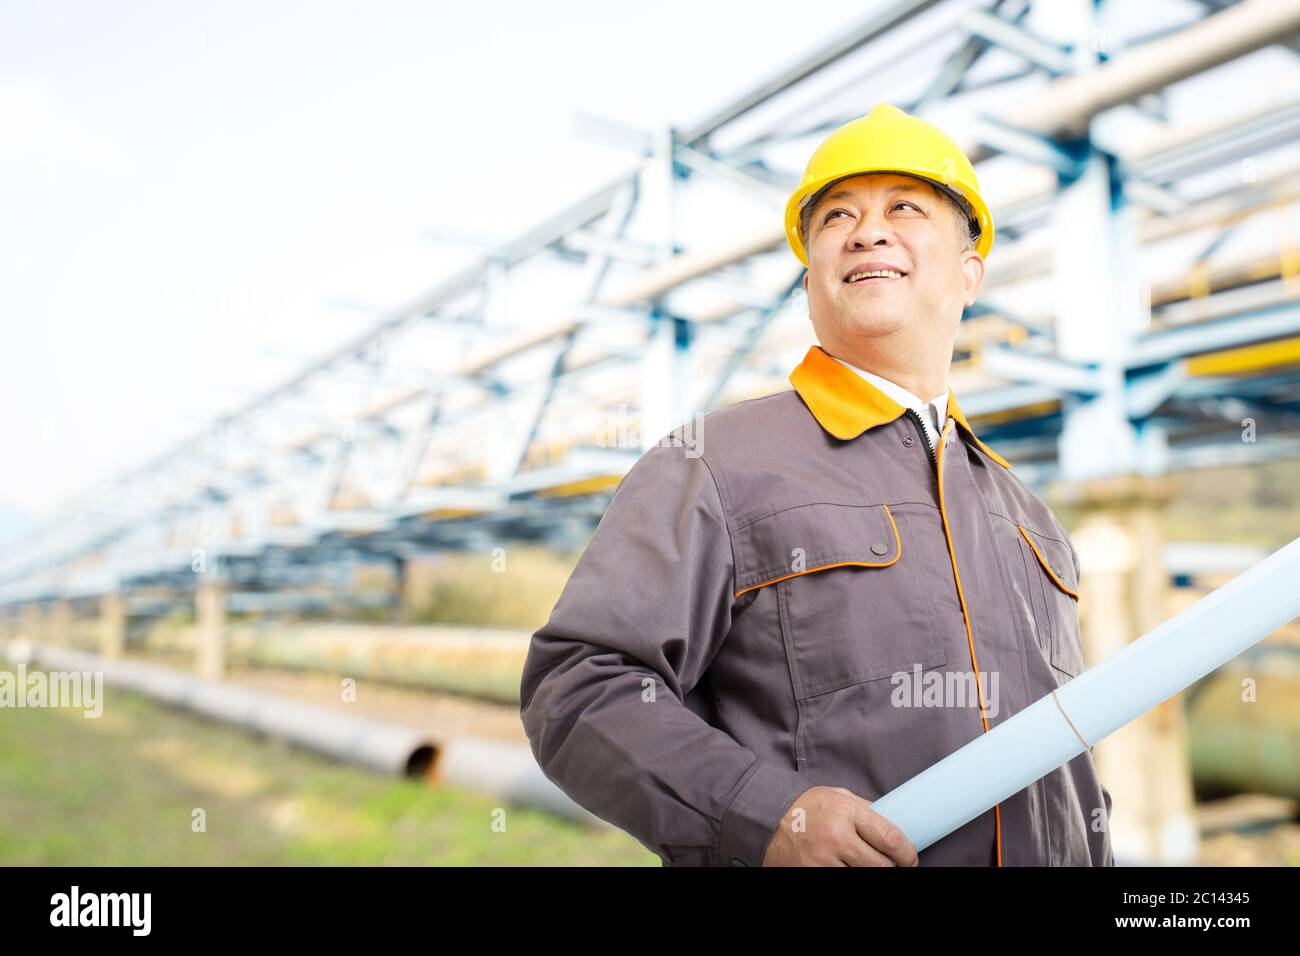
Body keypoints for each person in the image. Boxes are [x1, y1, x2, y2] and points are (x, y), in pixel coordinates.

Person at [519, 103, 1114, 867]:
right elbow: (577, 686)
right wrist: (764, 815)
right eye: (837, 216)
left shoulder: (1026, 516)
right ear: (811, 280)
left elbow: (1069, 772)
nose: (868, 230)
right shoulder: (717, 462)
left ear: (971, 273)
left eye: (905, 206)